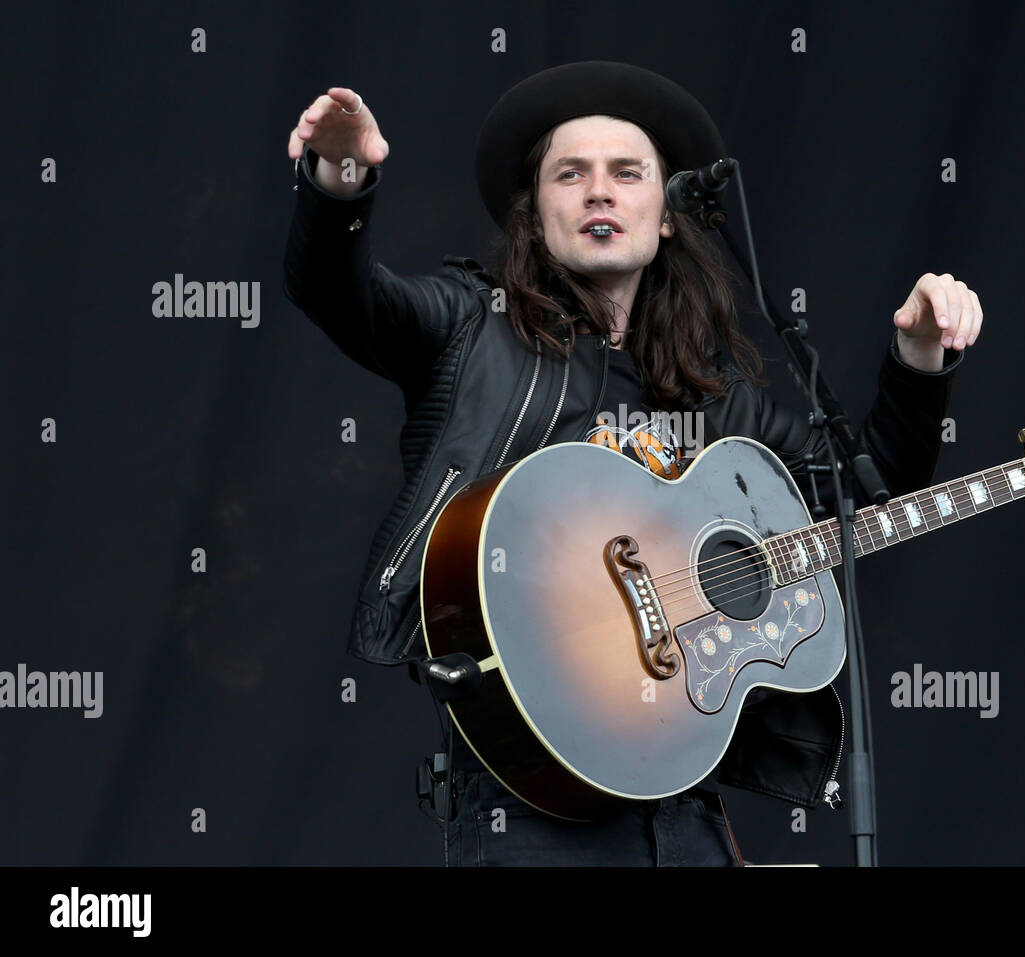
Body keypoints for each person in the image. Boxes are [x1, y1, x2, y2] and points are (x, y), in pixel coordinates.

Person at [283, 60, 982, 866]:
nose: (599, 192)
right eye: (569, 173)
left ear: (670, 215)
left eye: (627, 172)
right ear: (535, 212)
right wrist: (340, 177)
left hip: (682, 800)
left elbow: (868, 490)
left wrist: (921, 356)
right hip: (527, 806)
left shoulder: (712, 400)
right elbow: (341, 294)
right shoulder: (471, 328)